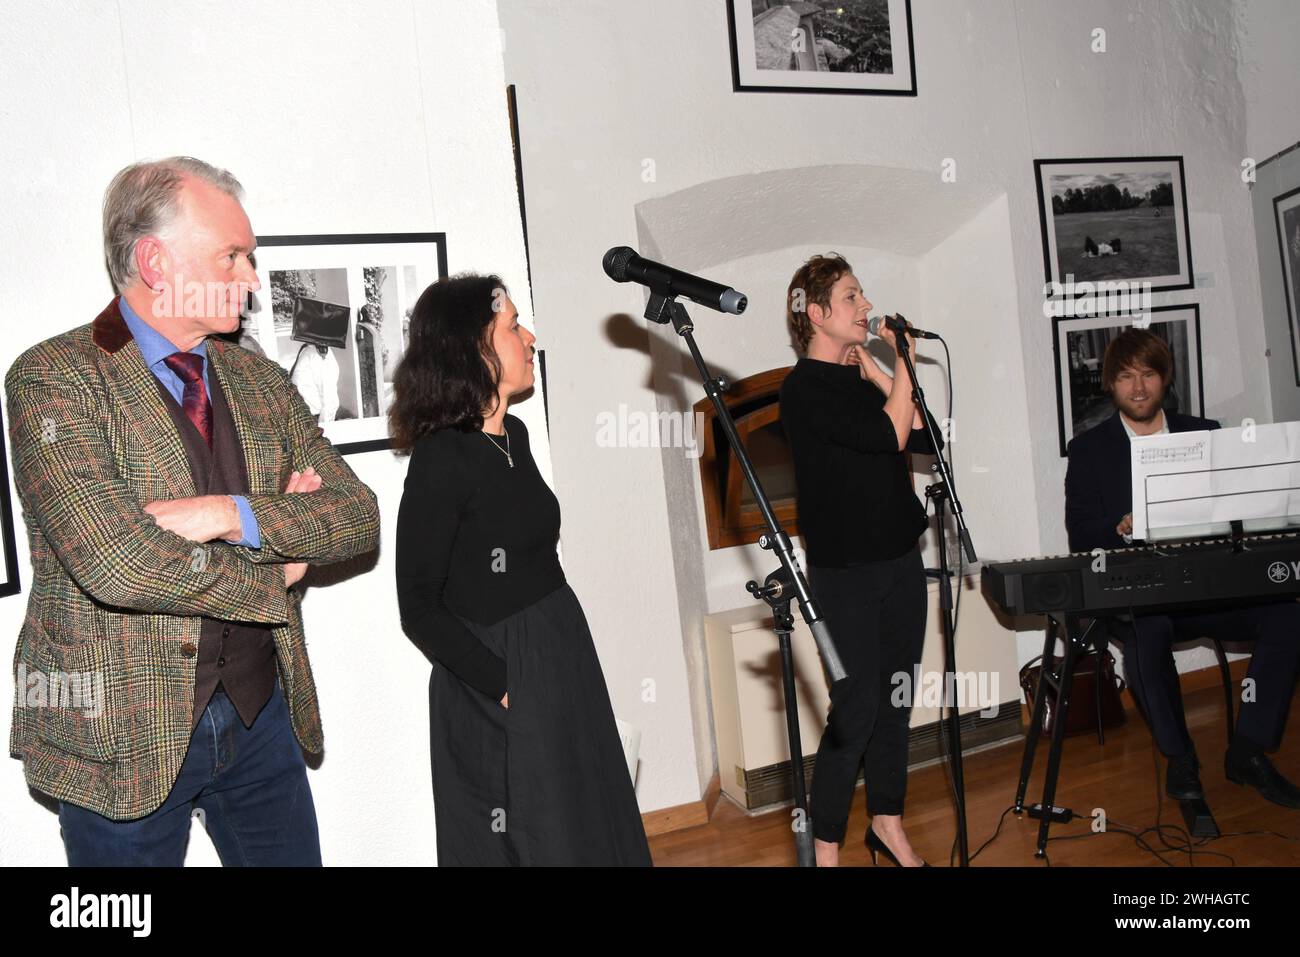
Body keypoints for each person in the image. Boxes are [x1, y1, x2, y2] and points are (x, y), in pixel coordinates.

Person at [5, 156, 381, 865]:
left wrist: (231, 512)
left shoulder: (261, 381)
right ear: (155, 261)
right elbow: (119, 564)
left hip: (259, 712)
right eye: (231, 256)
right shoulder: (53, 379)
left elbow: (358, 514)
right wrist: (281, 563)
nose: (250, 277)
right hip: (120, 732)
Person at [392, 273, 652, 866]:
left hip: (559, 653)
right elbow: (419, 606)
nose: (529, 336)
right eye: (512, 326)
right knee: (535, 836)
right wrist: (503, 684)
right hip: (498, 678)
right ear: (472, 349)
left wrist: (554, 662)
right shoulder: (440, 458)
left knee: (586, 820)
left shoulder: (517, 435)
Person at [1065, 328, 1300, 807]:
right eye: (1126, 377)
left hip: (1210, 588)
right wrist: (1121, 528)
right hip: (1144, 596)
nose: (1138, 388)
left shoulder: (1205, 432)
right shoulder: (1089, 450)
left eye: (1148, 374)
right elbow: (1080, 535)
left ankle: (1250, 750)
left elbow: (1238, 513)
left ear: (1164, 379)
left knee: (1289, 615)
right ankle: (1181, 759)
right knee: (1146, 635)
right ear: (1110, 384)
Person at [779, 253, 942, 867]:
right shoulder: (802, 389)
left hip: (901, 561)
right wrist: (902, 359)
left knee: (896, 698)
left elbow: (926, 438)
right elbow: (889, 437)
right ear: (817, 314)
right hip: (845, 576)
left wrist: (880, 375)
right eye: (852, 297)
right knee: (856, 711)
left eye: (862, 294)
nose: (866, 306)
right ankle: (825, 850)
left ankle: (888, 824)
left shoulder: (858, 378)